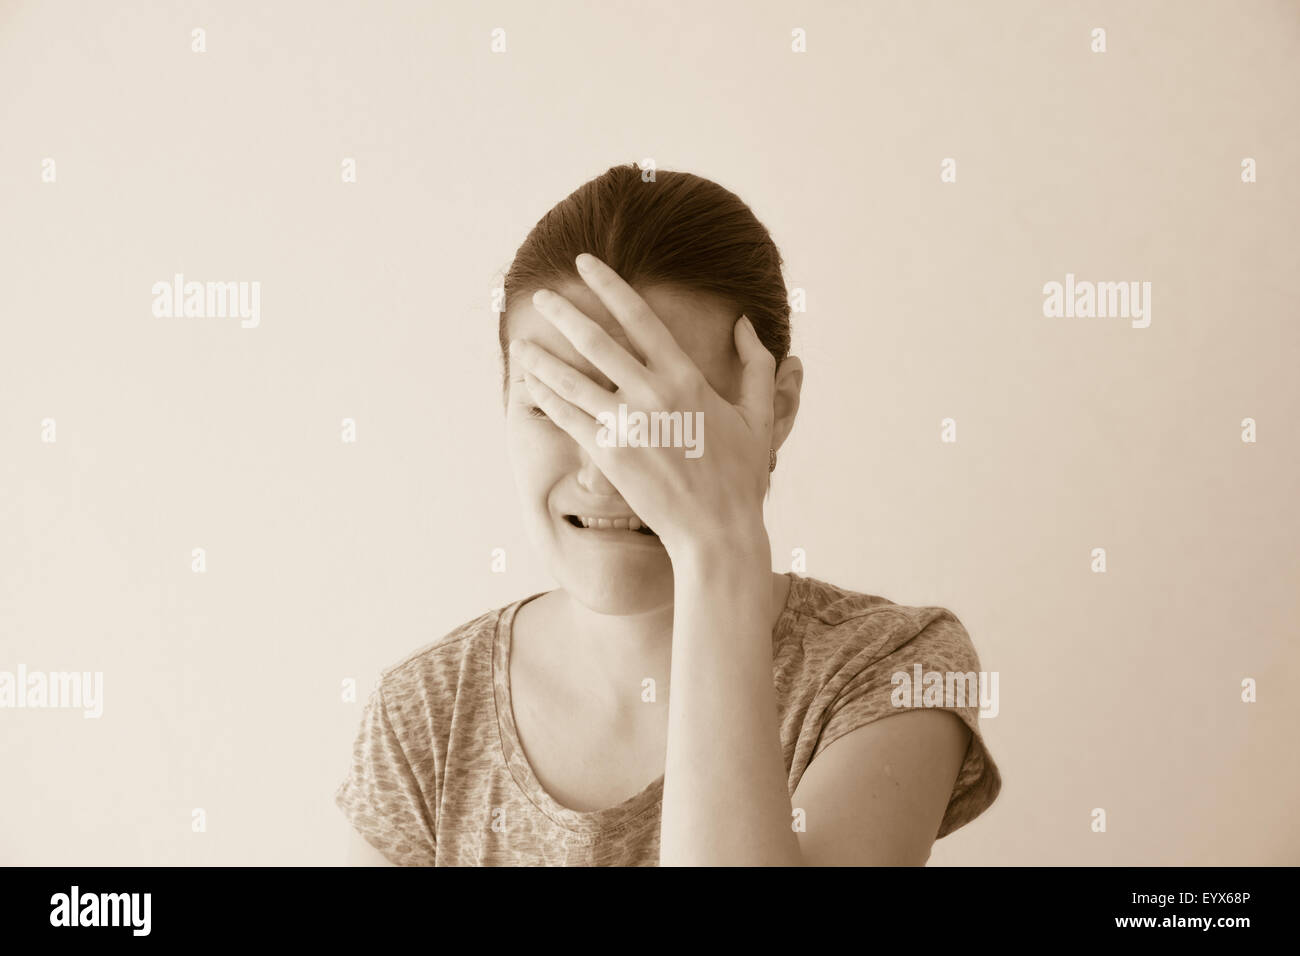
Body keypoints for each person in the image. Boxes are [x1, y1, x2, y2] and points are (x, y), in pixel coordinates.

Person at [335, 162, 1001, 866]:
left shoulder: (890, 669)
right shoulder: (425, 717)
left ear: (775, 408)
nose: (604, 469)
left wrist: (719, 548)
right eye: (557, 405)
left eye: (661, 415)